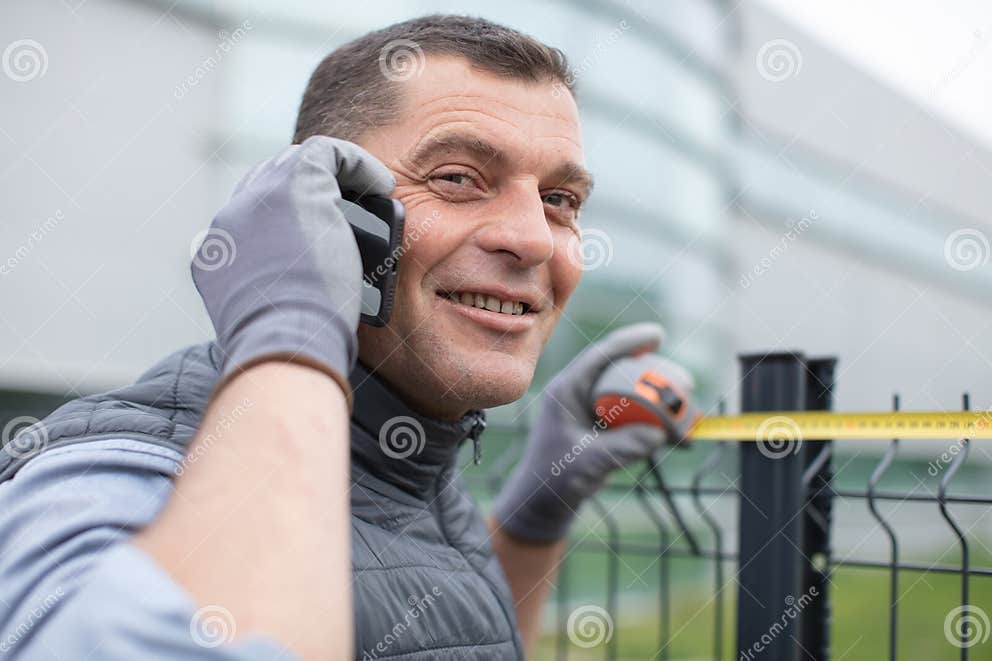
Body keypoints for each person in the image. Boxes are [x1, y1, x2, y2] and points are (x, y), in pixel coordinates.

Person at [0, 14, 698, 661]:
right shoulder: (115, 474)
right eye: (458, 178)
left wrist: (536, 512)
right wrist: (292, 331)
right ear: (330, 209)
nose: (534, 239)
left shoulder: (416, 466)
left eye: (559, 200)